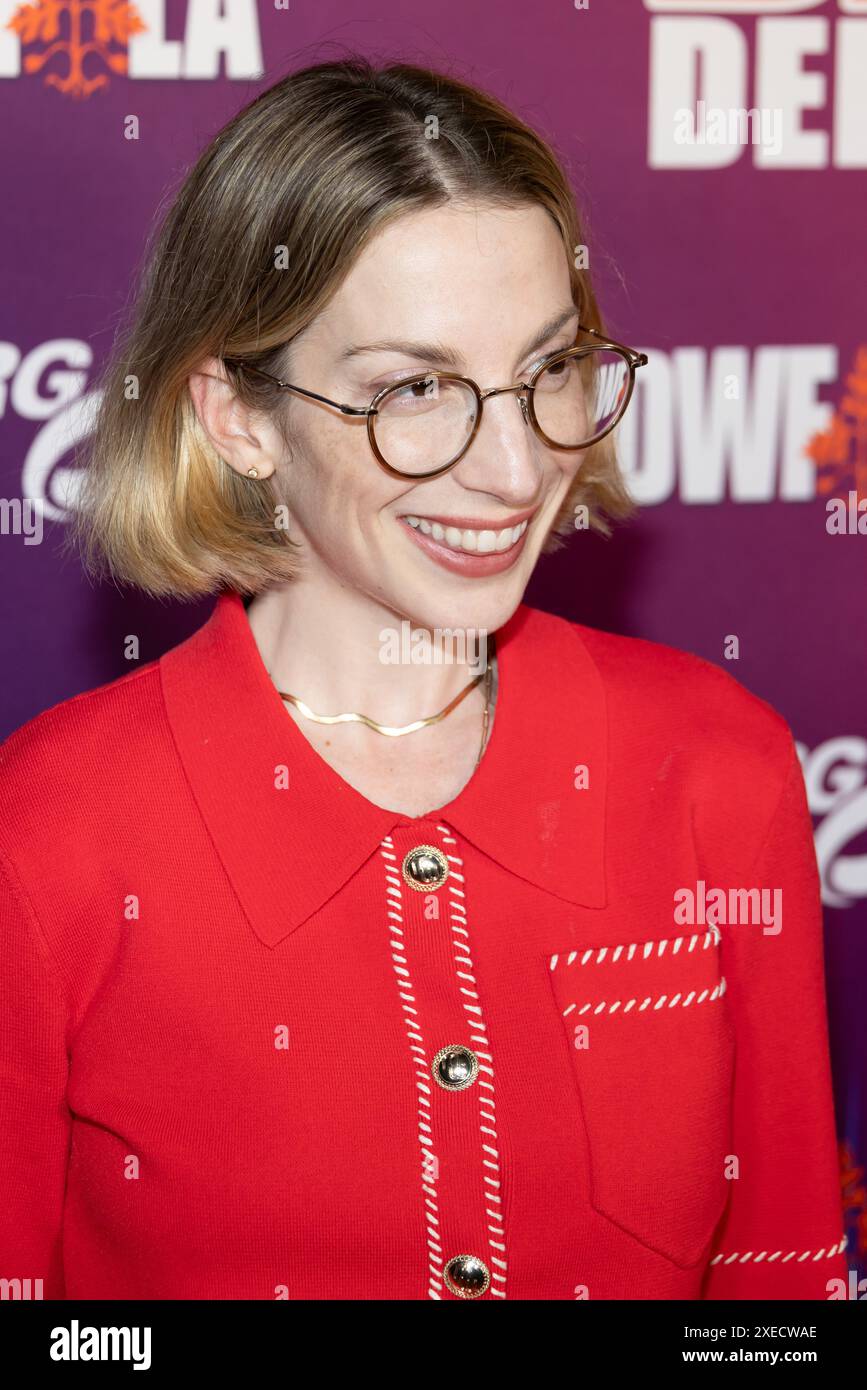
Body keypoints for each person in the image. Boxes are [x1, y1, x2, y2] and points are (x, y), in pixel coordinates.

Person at [0, 56, 845, 1301]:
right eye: (415, 389)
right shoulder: (47, 834)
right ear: (237, 415)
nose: (515, 469)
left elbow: (782, 1290)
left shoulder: (719, 766)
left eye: (547, 370)